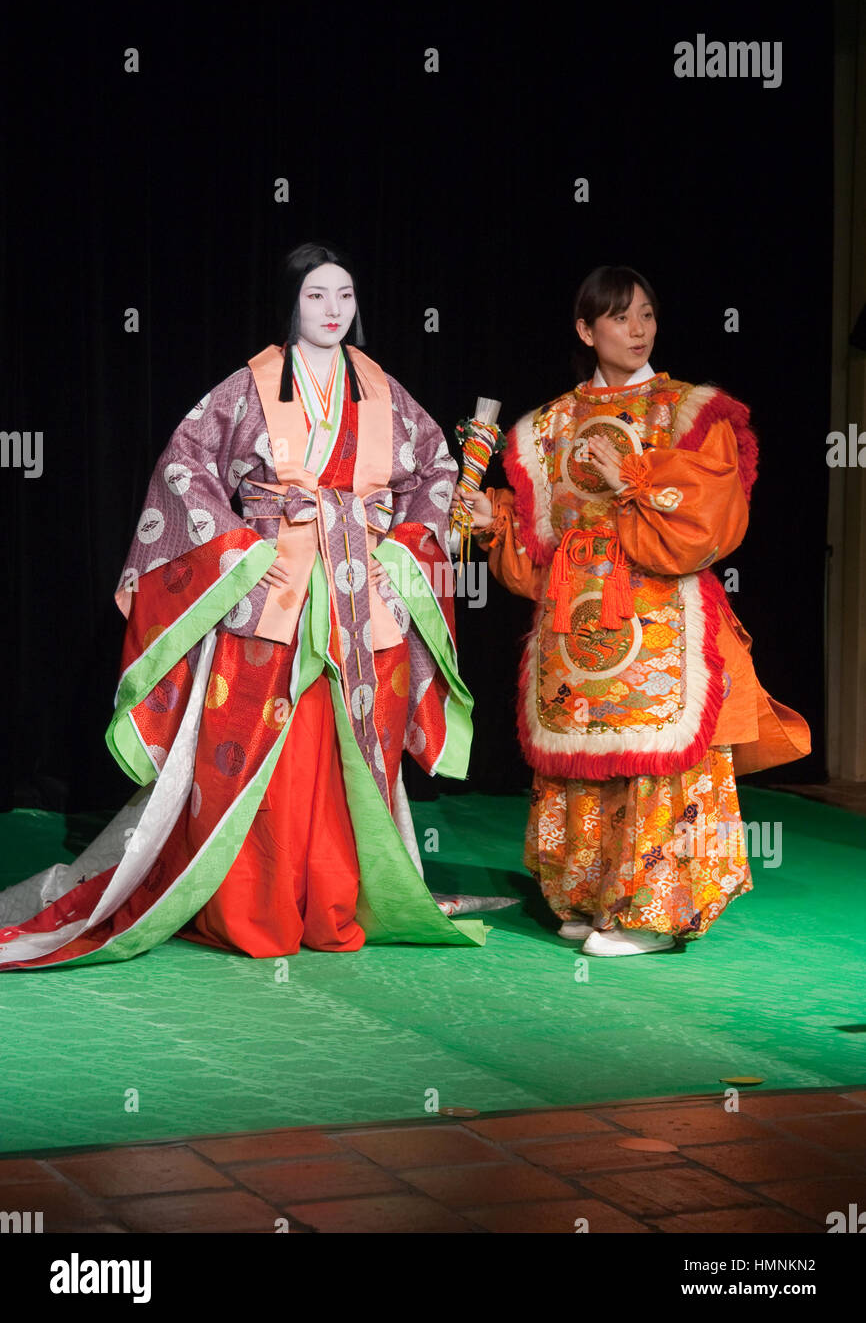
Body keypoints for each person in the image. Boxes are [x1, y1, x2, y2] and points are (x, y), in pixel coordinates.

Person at [0, 243, 487, 971]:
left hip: (358, 595)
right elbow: (184, 467)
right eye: (317, 296)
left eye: (345, 296)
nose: (332, 312)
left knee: (352, 756)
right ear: (292, 302)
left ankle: (331, 902)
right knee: (261, 755)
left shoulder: (383, 390)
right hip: (276, 592)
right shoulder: (249, 387)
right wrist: (237, 554)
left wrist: (402, 554)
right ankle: (249, 905)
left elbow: (438, 473)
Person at [459, 265, 810, 956]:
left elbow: (706, 525)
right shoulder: (548, 426)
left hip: (660, 617)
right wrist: (491, 517)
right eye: (620, 317)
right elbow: (538, 539)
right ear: (587, 330)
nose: (639, 329)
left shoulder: (689, 411)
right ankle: (587, 895)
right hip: (578, 614)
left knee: (655, 756)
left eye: (647, 314)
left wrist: (634, 485)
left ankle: (650, 913)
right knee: (581, 752)